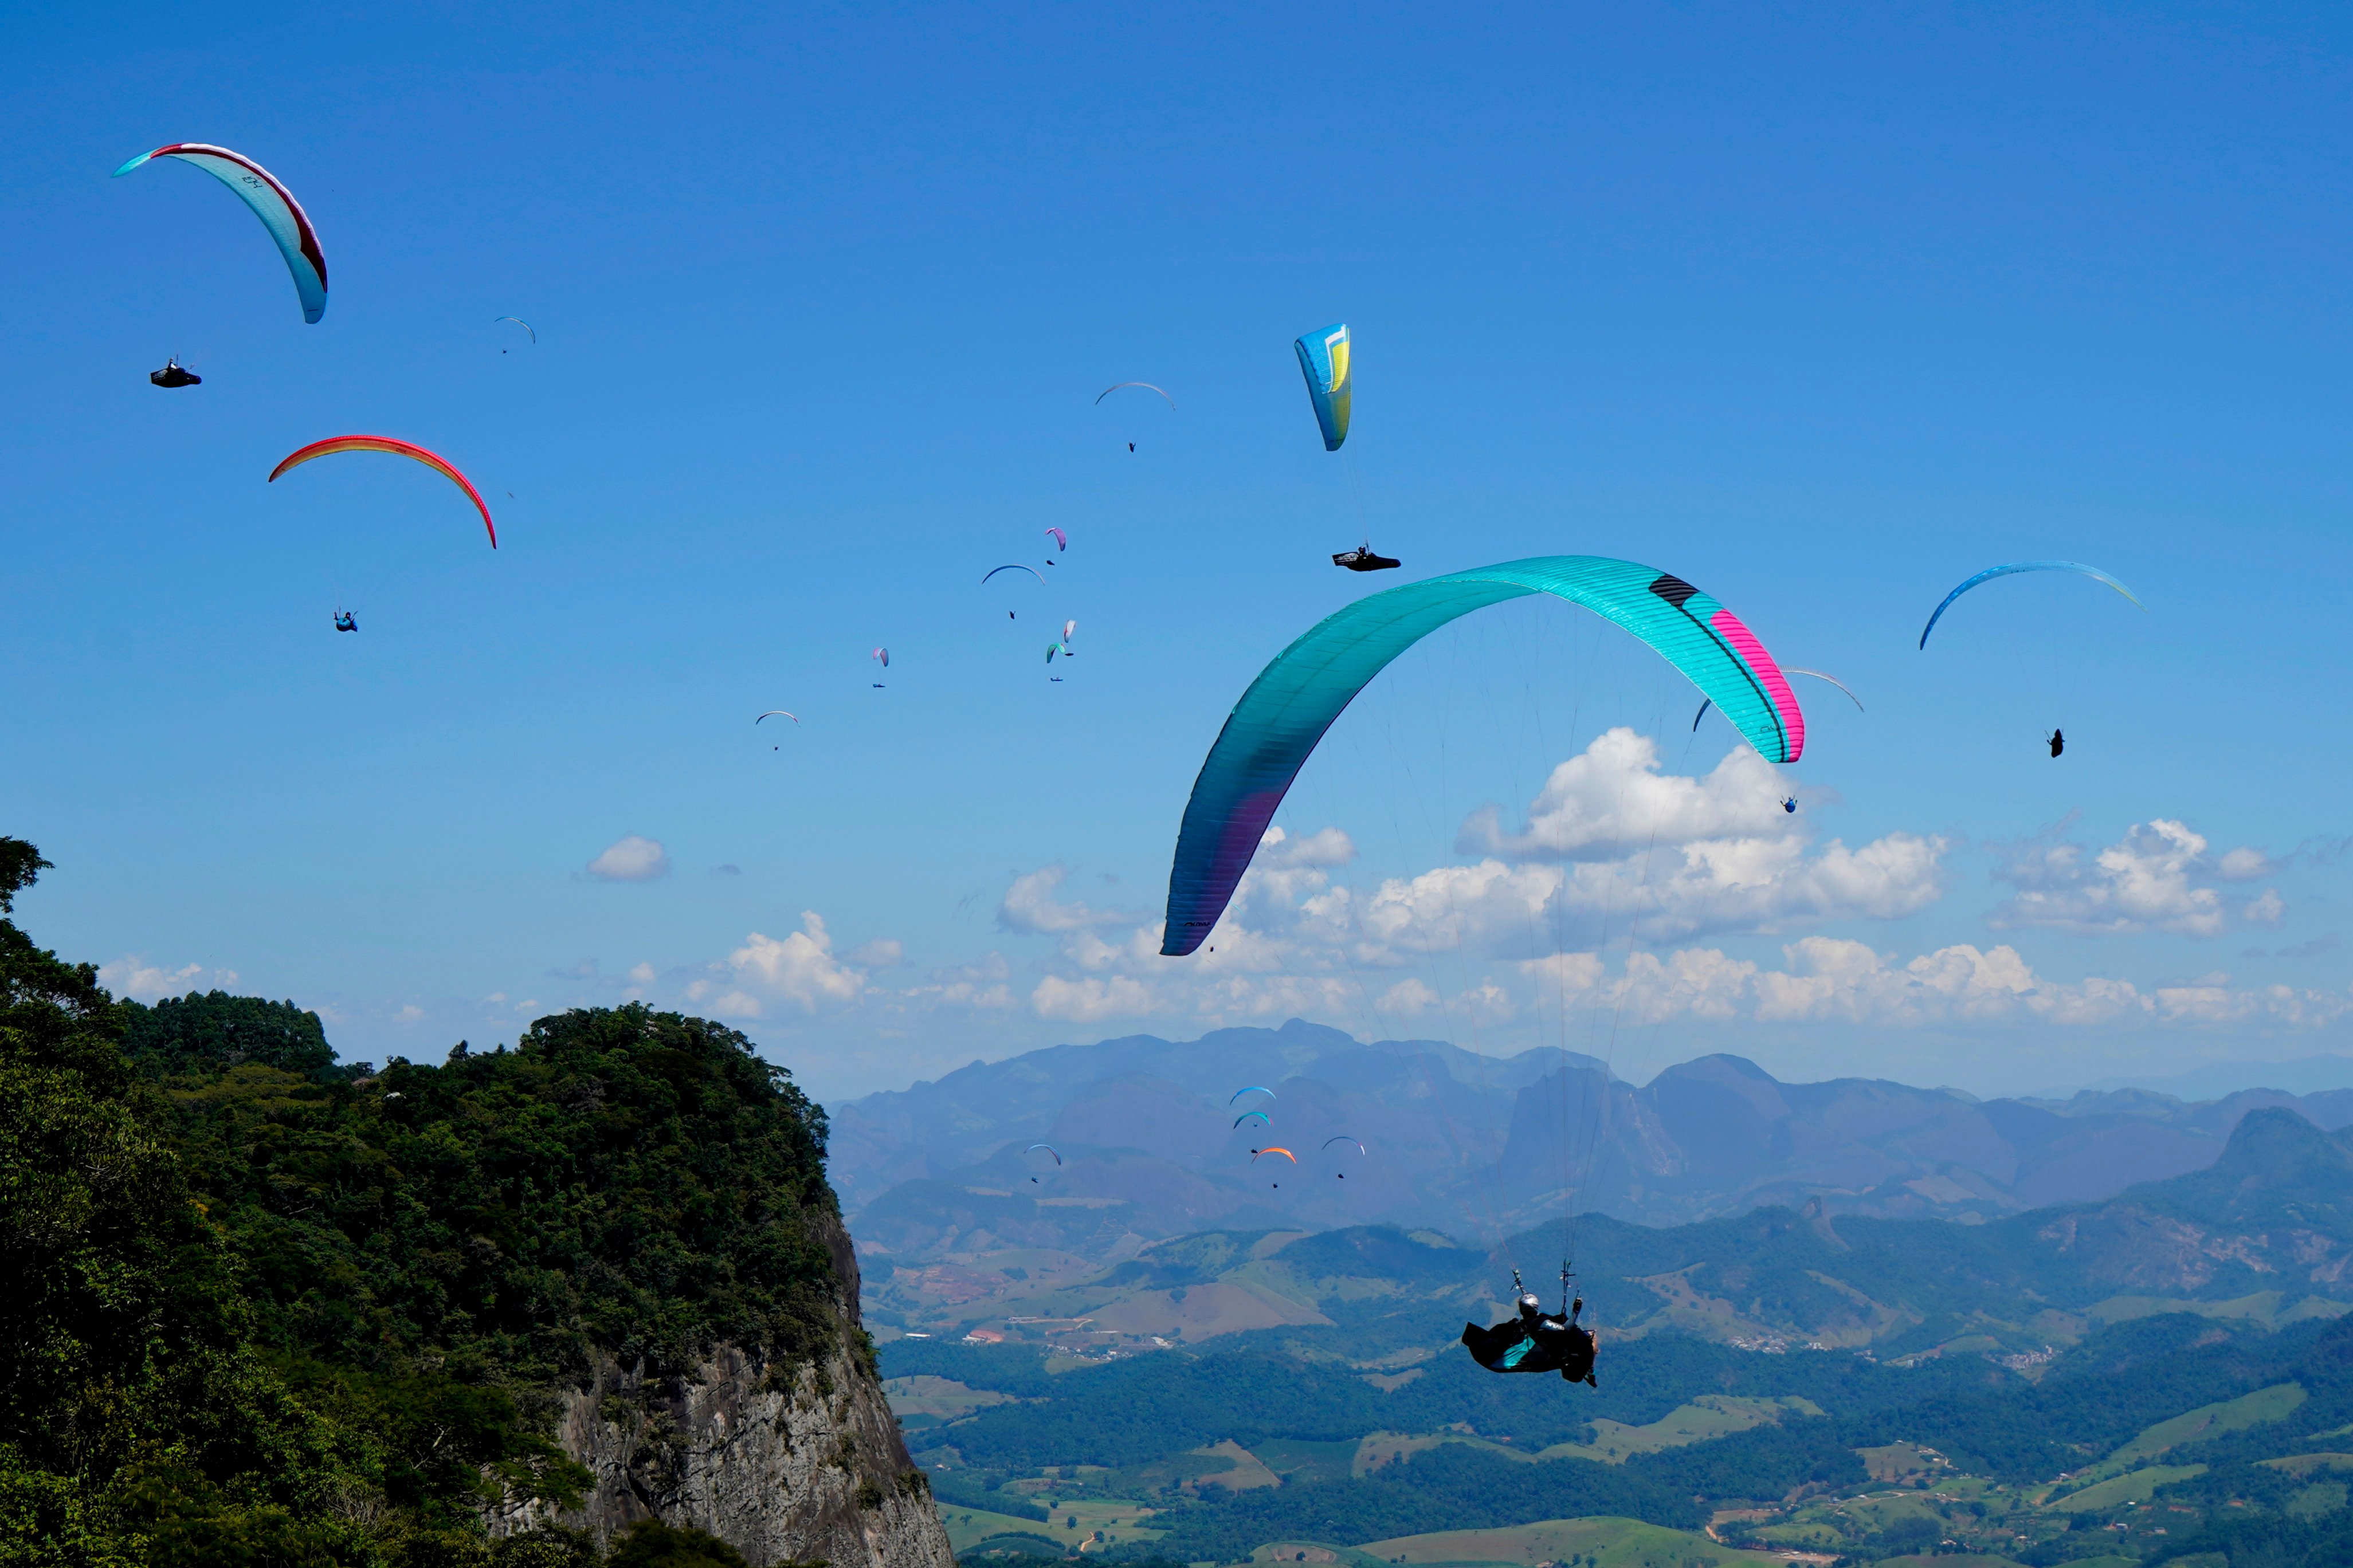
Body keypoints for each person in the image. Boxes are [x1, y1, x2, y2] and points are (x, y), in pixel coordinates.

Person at [1461, 1267, 1597, 1385]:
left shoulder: (1524, 1324)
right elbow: (1566, 1328)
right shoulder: (1540, 1323)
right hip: (1552, 1354)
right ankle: (1589, 1369)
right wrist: (1576, 1311)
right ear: (1536, 1307)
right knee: (1589, 1338)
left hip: (1536, 1354)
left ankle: (1587, 1368)